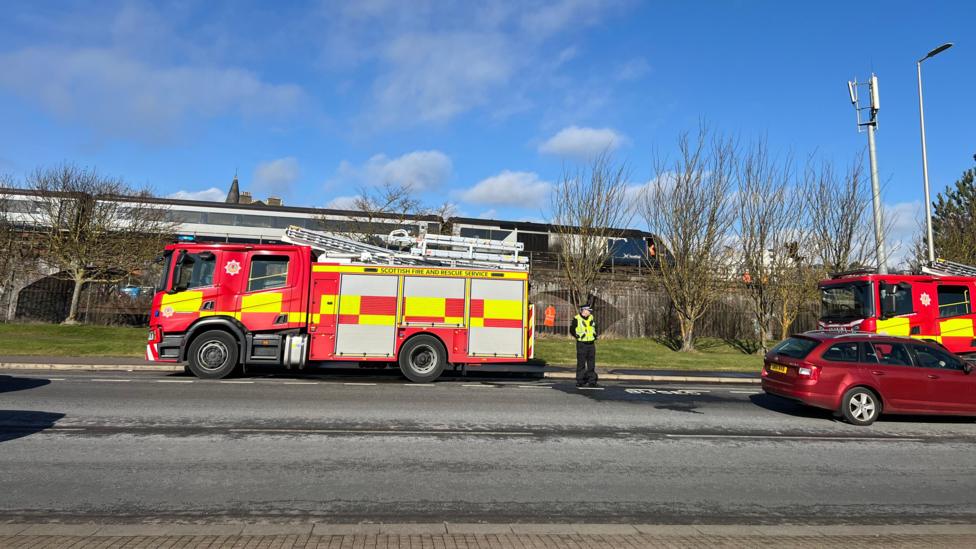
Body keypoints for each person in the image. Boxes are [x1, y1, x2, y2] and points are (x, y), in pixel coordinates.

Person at [571, 304, 598, 387]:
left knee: (591, 363)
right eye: (589, 311)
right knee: (581, 363)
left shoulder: (591, 318)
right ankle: (580, 380)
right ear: (584, 310)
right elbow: (572, 329)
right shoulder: (576, 319)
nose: (590, 312)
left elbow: (595, 327)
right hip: (582, 344)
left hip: (591, 343)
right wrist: (577, 336)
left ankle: (592, 380)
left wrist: (595, 335)